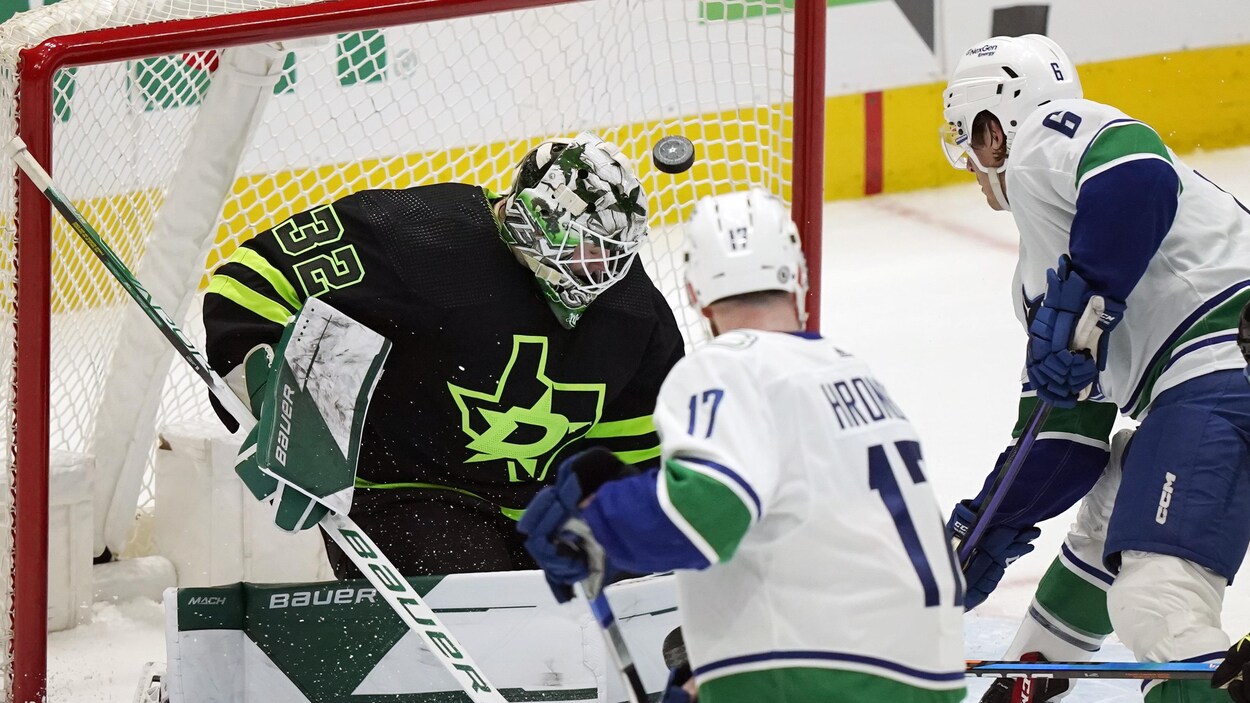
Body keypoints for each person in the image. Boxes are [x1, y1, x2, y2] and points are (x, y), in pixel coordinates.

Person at [517, 188, 966, 703]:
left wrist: (588, 524)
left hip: (818, 675)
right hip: (930, 671)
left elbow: (703, 513)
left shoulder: (728, 366)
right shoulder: (853, 375)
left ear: (694, 292)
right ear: (799, 277)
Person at [203, 132, 684, 578]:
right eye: (591, 250)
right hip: (407, 491)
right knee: (484, 615)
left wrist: (618, 515)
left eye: (616, 253)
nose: (605, 271)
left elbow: (637, 446)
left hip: (545, 508)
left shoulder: (634, 313)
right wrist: (271, 401)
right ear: (539, 220)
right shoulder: (417, 234)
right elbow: (250, 281)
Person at [940, 34, 1250, 703]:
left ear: (995, 128)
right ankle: (1030, 671)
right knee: (1110, 512)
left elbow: (1139, 172)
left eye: (969, 136)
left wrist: (1088, 283)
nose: (970, 159)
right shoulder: (1035, 276)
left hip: (1228, 360)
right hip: (1208, 381)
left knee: (1158, 598)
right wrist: (986, 524)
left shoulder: (1043, 143)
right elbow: (1064, 441)